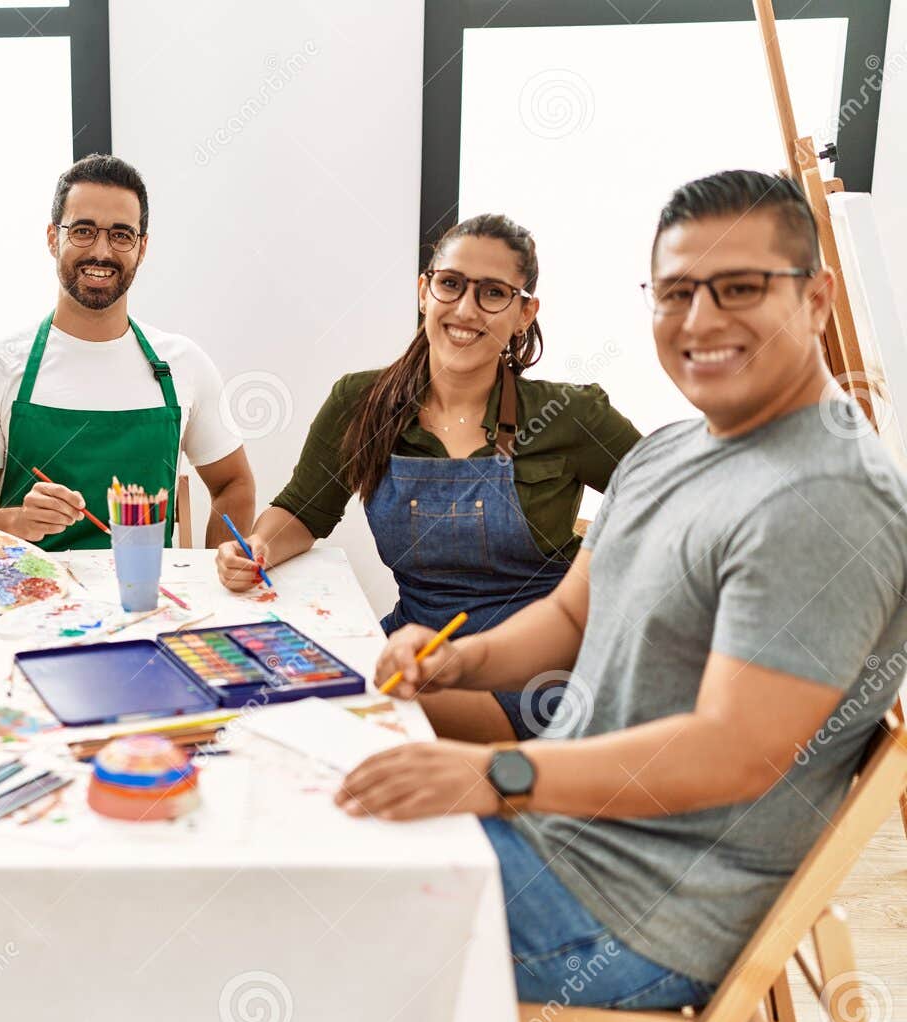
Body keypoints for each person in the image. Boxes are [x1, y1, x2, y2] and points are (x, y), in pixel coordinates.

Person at [340, 171, 907, 1022]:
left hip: (638, 907)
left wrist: (497, 773)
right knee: (298, 822)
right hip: (564, 835)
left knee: (292, 903)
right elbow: (570, 615)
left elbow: (734, 752)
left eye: (741, 287)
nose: (701, 318)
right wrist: (464, 658)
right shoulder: (672, 449)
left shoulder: (824, 498)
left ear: (819, 297)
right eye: (676, 291)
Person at [217, 213, 641, 741]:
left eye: (492, 293)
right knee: (279, 691)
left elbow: (671, 503)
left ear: (525, 311)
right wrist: (257, 546)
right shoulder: (360, 403)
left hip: (536, 666)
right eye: (451, 284)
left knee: (351, 721)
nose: (465, 309)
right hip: (416, 644)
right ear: (425, 290)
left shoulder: (569, 415)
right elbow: (303, 512)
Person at [0, 153, 256, 549]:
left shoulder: (184, 363)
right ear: (54, 238)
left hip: (150, 603)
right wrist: (15, 520)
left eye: (121, 235)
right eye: (83, 230)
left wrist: (216, 572)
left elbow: (233, 484)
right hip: (32, 602)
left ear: (142, 247)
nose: (102, 251)